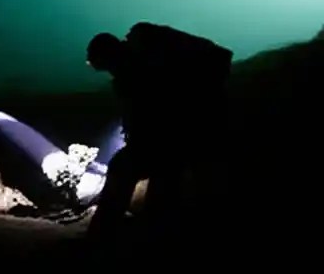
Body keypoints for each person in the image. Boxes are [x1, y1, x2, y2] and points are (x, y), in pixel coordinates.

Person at [84, 22, 232, 241]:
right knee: (156, 185)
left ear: (107, 56)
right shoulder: (133, 69)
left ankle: (104, 240)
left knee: (143, 180)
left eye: (101, 65)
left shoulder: (144, 61)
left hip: (175, 137)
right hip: (172, 138)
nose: (106, 71)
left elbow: (158, 108)